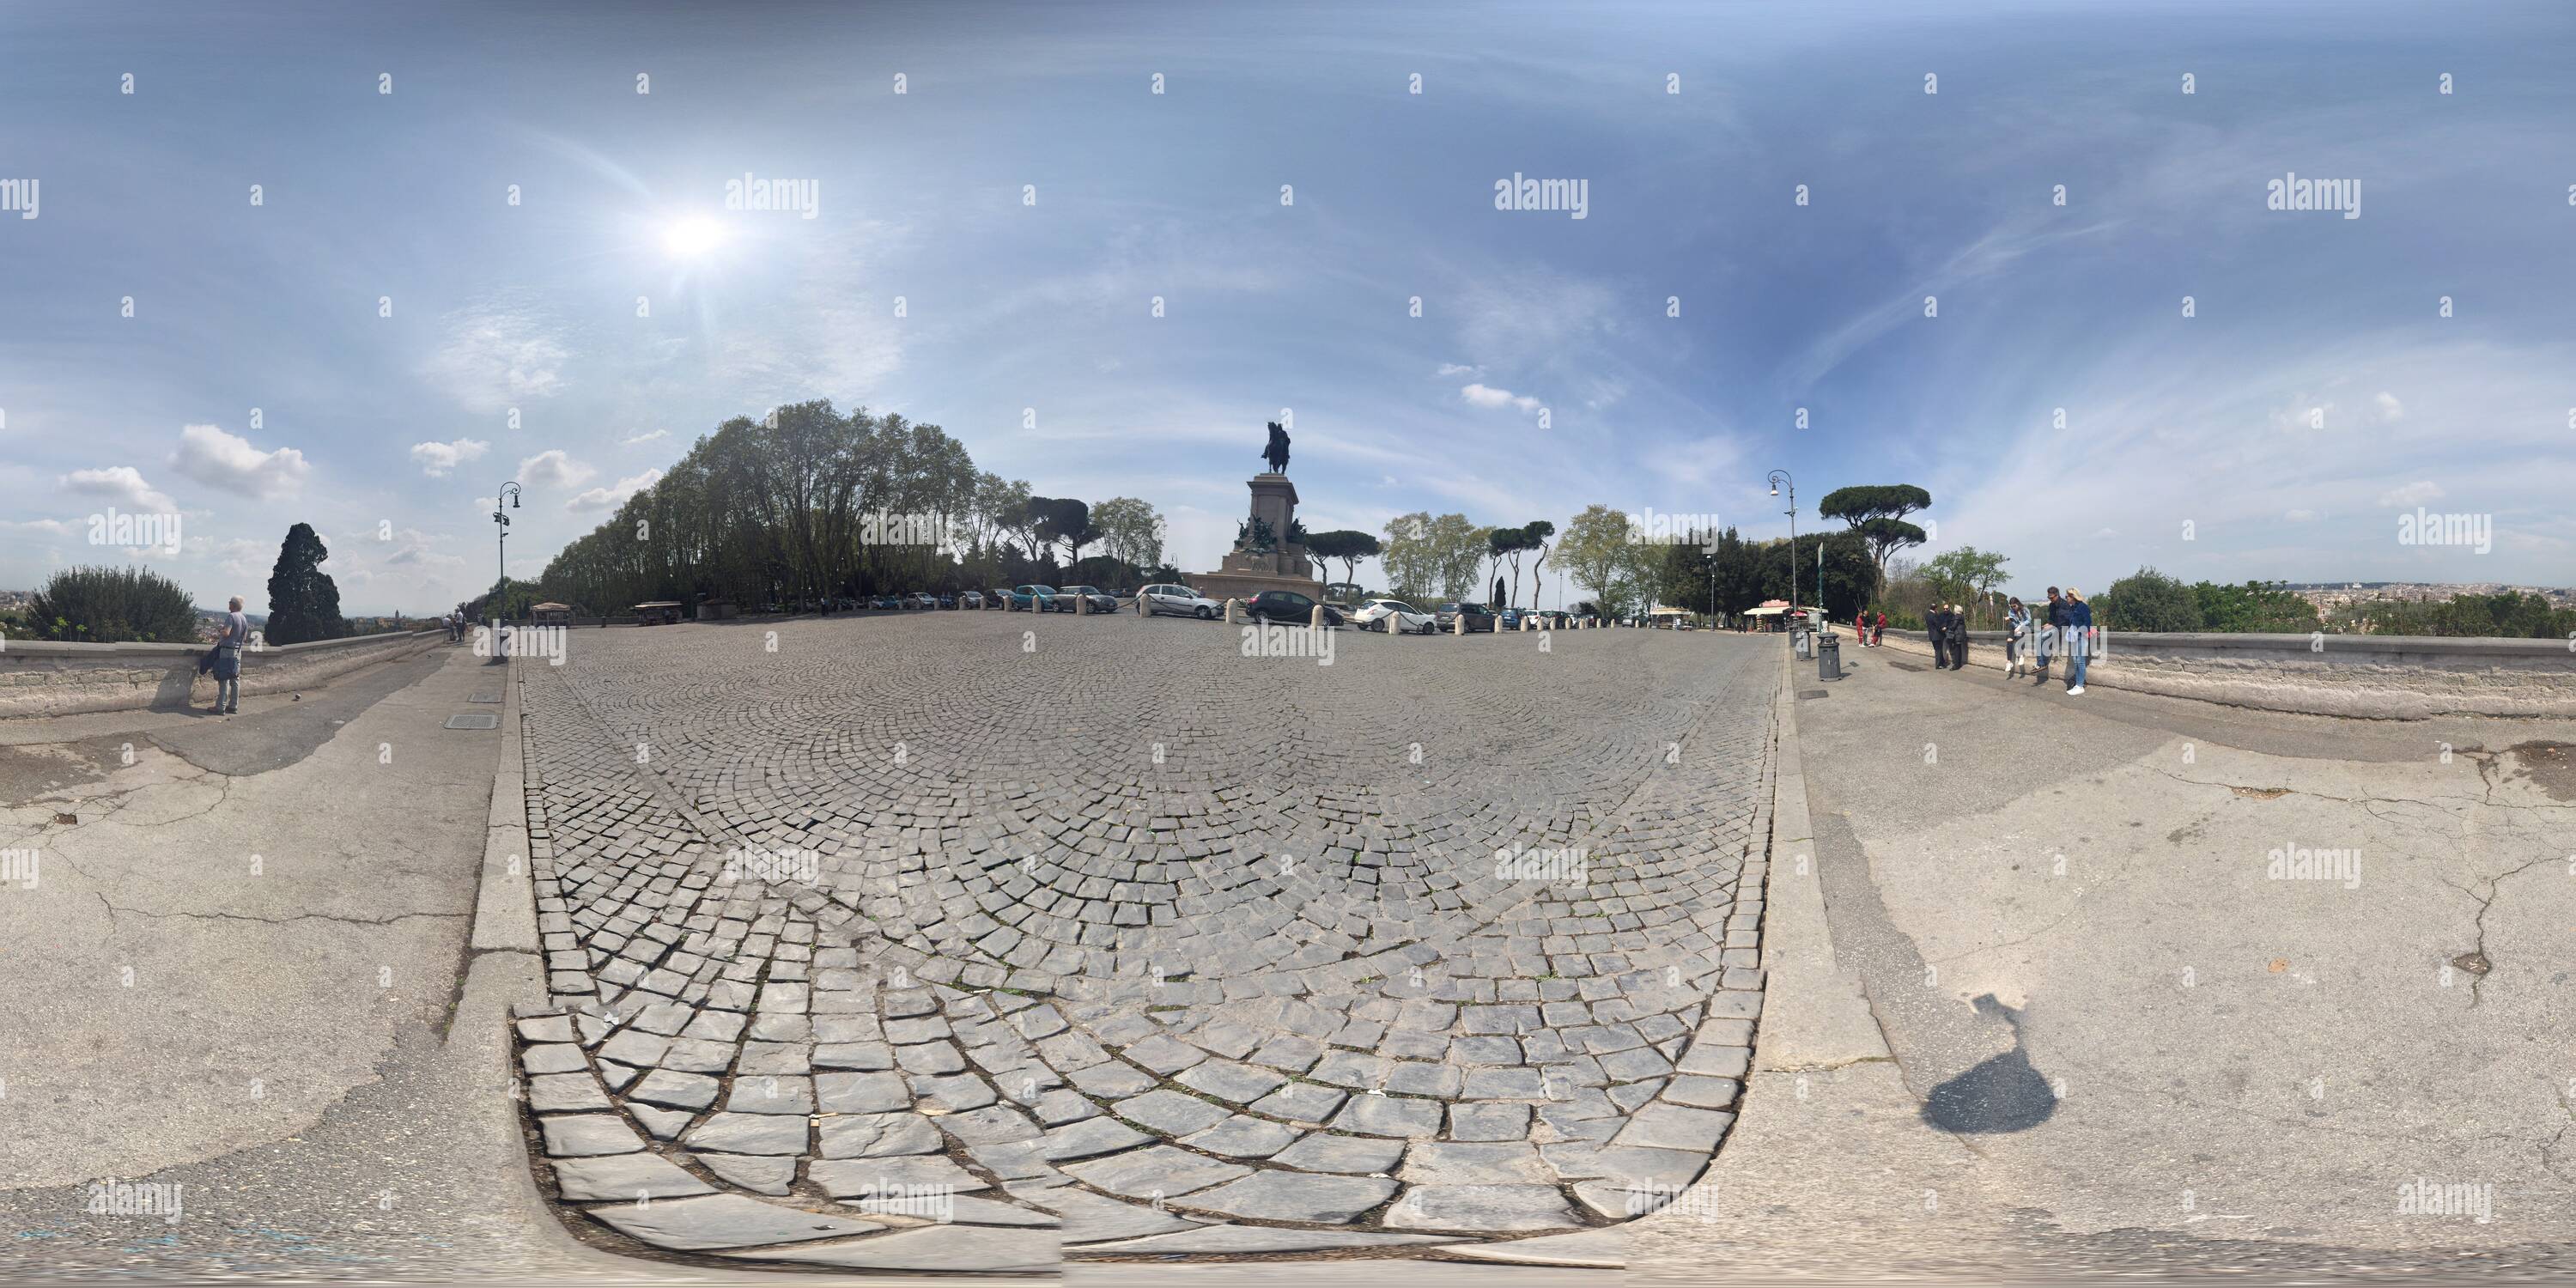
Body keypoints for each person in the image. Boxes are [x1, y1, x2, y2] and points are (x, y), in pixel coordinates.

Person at [210, 595, 251, 715]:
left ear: (232, 604)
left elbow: (227, 633)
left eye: (229, 602)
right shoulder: (244, 619)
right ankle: (233, 706)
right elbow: (244, 638)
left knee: (224, 678)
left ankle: (220, 707)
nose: (228, 604)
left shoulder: (231, 616)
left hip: (227, 650)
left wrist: (220, 630)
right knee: (235, 679)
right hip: (238, 651)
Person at [2063, 586, 2094, 695]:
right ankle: (2078, 684)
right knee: (2076, 660)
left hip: (2082, 636)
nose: (2066, 598)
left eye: (2067, 596)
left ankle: (2080, 686)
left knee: (2080, 661)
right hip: (2075, 637)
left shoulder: (2082, 607)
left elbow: (2088, 622)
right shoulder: (2073, 607)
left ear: (2073, 596)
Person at [2034, 586, 2065, 686]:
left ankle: (2041, 664)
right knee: (2038, 636)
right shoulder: (2052, 606)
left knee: (2040, 637)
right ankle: (2041, 663)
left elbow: (2065, 621)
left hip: (2062, 629)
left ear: (2057, 595)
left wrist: (2052, 625)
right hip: (2054, 627)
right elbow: (2052, 619)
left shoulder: (2064, 605)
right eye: (2049, 598)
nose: (2050, 599)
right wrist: (2048, 624)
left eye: (2051, 597)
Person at [2004, 597, 2031, 678]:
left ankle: (2021, 656)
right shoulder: (2011, 612)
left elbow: (2029, 620)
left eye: (2014, 606)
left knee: (2019, 633)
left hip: (2025, 627)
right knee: (2009, 641)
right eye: (2011, 606)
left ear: (2018, 604)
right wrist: (2011, 619)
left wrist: (2020, 626)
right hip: (2015, 627)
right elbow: (2013, 623)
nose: (2013, 608)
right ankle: (2009, 662)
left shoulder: (2025, 610)